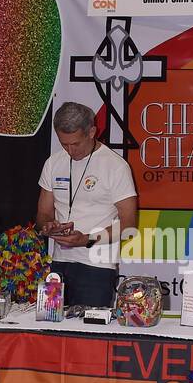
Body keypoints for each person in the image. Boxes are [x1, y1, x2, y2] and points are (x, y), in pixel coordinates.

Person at [35, 102, 138, 306]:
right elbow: (42, 214)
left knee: (90, 325)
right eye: (64, 144)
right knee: (52, 322)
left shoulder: (116, 166)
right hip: (58, 264)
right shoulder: (53, 163)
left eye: (75, 143)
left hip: (97, 267)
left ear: (91, 132)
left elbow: (129, 226)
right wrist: (48, 226)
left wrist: (85, 240)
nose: (70, 150)